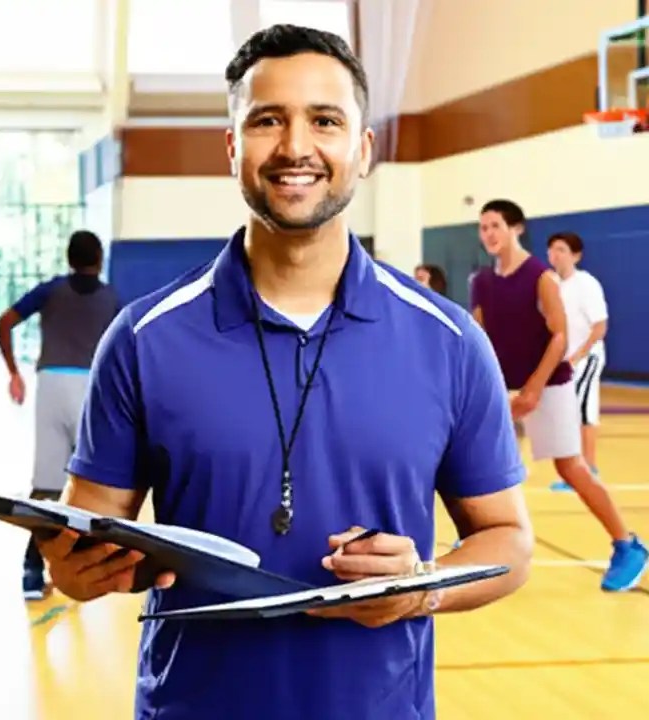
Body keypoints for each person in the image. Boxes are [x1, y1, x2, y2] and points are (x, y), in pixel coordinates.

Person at [35, 25, 534, 720]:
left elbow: (509, 539)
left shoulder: (449, 340)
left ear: (362, 150)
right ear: (233, 147)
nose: (296, 146)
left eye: (324, 120)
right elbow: (90, 525)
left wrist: (423, 586)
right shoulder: (145, 338)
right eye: (268, 120)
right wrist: (72, 569)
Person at [471, 201, 646, 590]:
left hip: (550, 384)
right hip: (505, 387)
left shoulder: (540, 276)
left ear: (516, 228)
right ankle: (486, 542)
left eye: (496, 225)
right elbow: (478, 338)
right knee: (482, 463)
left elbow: (560, 335)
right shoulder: (481, 281)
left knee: (571, 468)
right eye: (483, 228)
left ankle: (627, 544)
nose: (488, 234)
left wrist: (534, 388)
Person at [0, 229, 119, 600]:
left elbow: (3, 322)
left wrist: (13, 372)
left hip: (50, 383)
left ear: (69, 259)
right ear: (99, 259)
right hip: (89, 389)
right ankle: (84, 568)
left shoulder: (51, 290)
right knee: (91, 487)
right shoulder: (112, 299)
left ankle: (31, 571)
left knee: (46, 486)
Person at [545, 232, 608, 489]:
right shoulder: (554, 285)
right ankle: (584, 470)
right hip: (566, 361)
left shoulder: (586, 284)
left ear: (576, 255)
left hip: (586, 358)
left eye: (561, 249)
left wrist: (577, 357)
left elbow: (600, 327)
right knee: (579, 413)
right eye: (551, 249)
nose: (554, 254)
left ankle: (585, 471)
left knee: (578, 412)